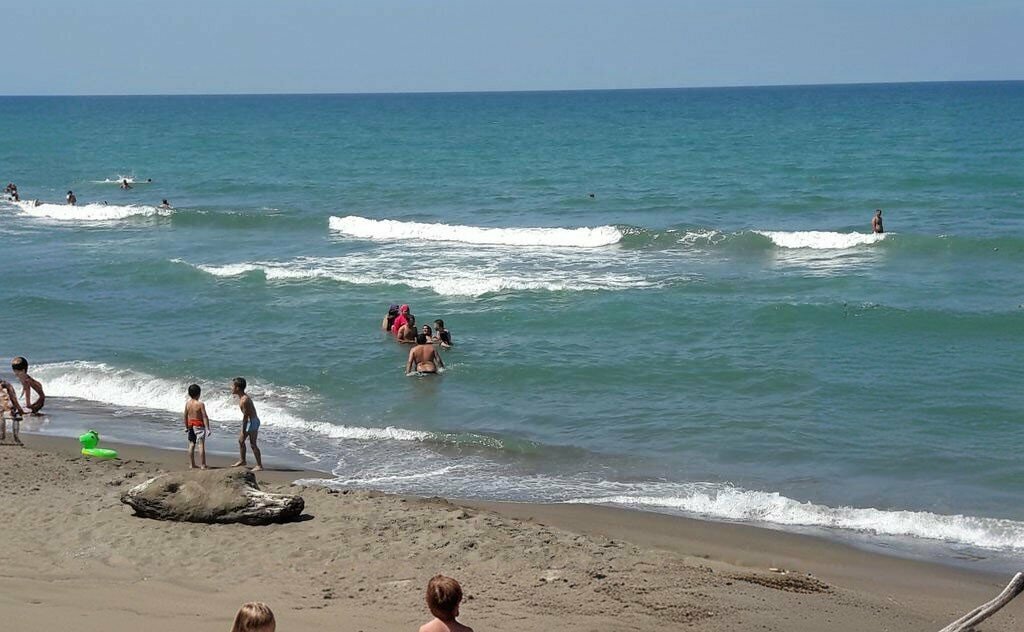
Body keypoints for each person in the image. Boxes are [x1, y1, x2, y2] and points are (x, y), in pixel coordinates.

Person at [231, 377, 263, 471]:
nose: (231, 388)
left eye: (232, 386)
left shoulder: (244, 400)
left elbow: (246, 416)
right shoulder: (242, 397)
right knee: (241, 441)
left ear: (237, 388)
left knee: (253, 444)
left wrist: (243, 429)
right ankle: (242, 460)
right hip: (250, 421)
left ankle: (259, 465)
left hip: (252, 422)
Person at [183, 383, 210, 469]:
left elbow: (185, 415)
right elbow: (205, 416)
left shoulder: (187, 403)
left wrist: (186, 426)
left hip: (190, 425)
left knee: (191, 444)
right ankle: (203, 464)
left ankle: (192, 464)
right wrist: (207, 428)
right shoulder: (200, 404)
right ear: (199, 394)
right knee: (201, 444)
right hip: (199, 425)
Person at [1, 377, 25, 445]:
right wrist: (18, 408)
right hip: (5, 405)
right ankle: (16, 438)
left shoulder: (5, 385)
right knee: (16, 414)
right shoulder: (6, 384)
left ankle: (2, 437)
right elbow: (13, 398)